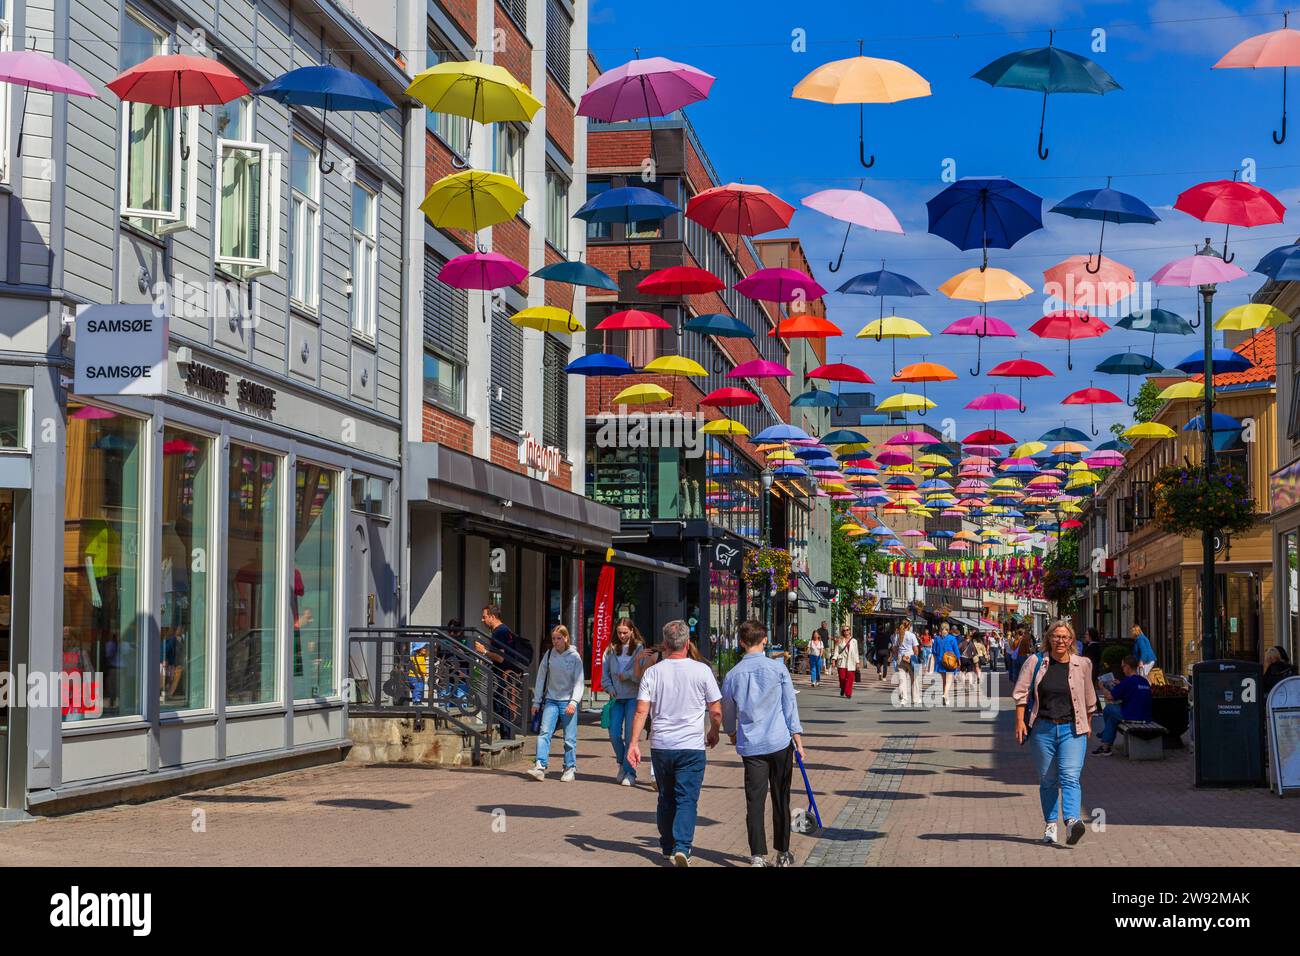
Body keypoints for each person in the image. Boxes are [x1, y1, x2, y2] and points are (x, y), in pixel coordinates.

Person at [628, 620, 722, 867]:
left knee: (666, 797)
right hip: (691, 746)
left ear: (665, 644)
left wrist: (633, 744)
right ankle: (682, 846)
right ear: (687, 643)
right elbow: (716, 710)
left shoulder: (653, 672)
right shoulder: (702, 671)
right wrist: (714, 731)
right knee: (687, 799)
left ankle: (667, 846)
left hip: (662, 746)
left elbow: (640, 712)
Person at [721, 620, 806, 868]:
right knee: (781, 797)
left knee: (754, 800)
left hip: (752, 744)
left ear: (741, 643)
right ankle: (783, 852)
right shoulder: (778, 670)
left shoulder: (733, 674)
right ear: (765, 640)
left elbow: (728, 708)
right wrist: (797, 739)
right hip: (779, 741)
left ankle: (758, 854)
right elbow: (790, 705)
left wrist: (731, 732)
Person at [1013, 619, 1098, 847]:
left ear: (1072, 640)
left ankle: (1071, 821)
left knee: (1070, 776)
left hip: (1073, 729)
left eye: (1065, 637)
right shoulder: (1035, 662)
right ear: (1049, 638)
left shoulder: (1082, 664)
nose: (1060, 640)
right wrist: (1020, 722)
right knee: (1048, 779)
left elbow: (1090, 698)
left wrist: (1087, 724)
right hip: (1043, 729)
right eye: (1056, 636)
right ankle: (1051, 824)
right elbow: (1021, 694)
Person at [527, 625, 584, 782]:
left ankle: (569, 767)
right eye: (553, 639)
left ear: (566, 638)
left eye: (559, 638)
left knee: (569, 738)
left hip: (568, 701)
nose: (556, 642)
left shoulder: (574, 657)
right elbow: (540, 677)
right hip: (551, 700)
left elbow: (579, 682)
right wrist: (536, 701)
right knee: (544, 732)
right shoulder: (549, 654)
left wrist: (574, 702)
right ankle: (540, 765)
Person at [602, 618, 644, 785]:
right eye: (619, 632)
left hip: (633, 696)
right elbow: (604, 674)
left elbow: (641, 675)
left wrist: (626, 676)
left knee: (630, 735)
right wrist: (609, 688)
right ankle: (622, 762)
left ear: (632, 631)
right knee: (613, 733)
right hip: (616, 697)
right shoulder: (610, 650)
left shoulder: (640, 649)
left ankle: (630, 772)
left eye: (625, 632)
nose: (622, 635)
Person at [480, 604, 525, 740]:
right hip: (507, 674)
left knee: (501, 703)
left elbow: (500, 657)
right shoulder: (505, 630)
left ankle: (507, 736)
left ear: (492, 617)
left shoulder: (499, 632)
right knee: (501, 703)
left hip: (502, 674)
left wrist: (484, 651)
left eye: (484, 617)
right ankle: (507, 735)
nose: (482, 620)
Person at [1093, 655, 1152, 756]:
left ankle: (1104, 734)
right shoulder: (1143, 680)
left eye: (1123, 666)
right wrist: (1120, 684)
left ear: (1128, 667)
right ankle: (1105, 748)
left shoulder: (1128, 681)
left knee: (1108, 708)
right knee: (1112, 718)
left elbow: (1109, 697)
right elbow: (1133, 692)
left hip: (1133, 716)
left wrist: (1101, 687)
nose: (1122, 669)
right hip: (1146, 716)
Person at [933, 624, 962, 707]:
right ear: (948, 630)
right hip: (950, 661)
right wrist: (959, 660)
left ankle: (946, 698)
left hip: (940, 661)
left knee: (944, 681)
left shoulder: (937, 639)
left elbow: (934, 651)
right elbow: (956, 650)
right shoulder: (952, 638)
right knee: (949, 681)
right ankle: (945, 695)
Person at [895, 621, 921, 707]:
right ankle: (915, 699)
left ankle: (904, 699)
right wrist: (915, 657)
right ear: (909, 626)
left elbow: (895, 648)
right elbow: (915, 648)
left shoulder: (898, 635)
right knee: (914, 679)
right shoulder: (911, 635)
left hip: (900, 658)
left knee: (902, 680)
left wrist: (897, 656)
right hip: (910, 657)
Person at [831, 625, 860, 698]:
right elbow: (836, 651)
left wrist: (857, 662)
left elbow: (856, 652)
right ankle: (843, 688)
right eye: (844, 630)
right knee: (842, 678)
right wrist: (834, 659)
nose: (846, 631)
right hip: (842, 662)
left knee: (850, 678)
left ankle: (848, 693)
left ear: (850, 631)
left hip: (851, 662)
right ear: (842, 632)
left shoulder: (854, 641)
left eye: (847, 630)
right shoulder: (840, 640)